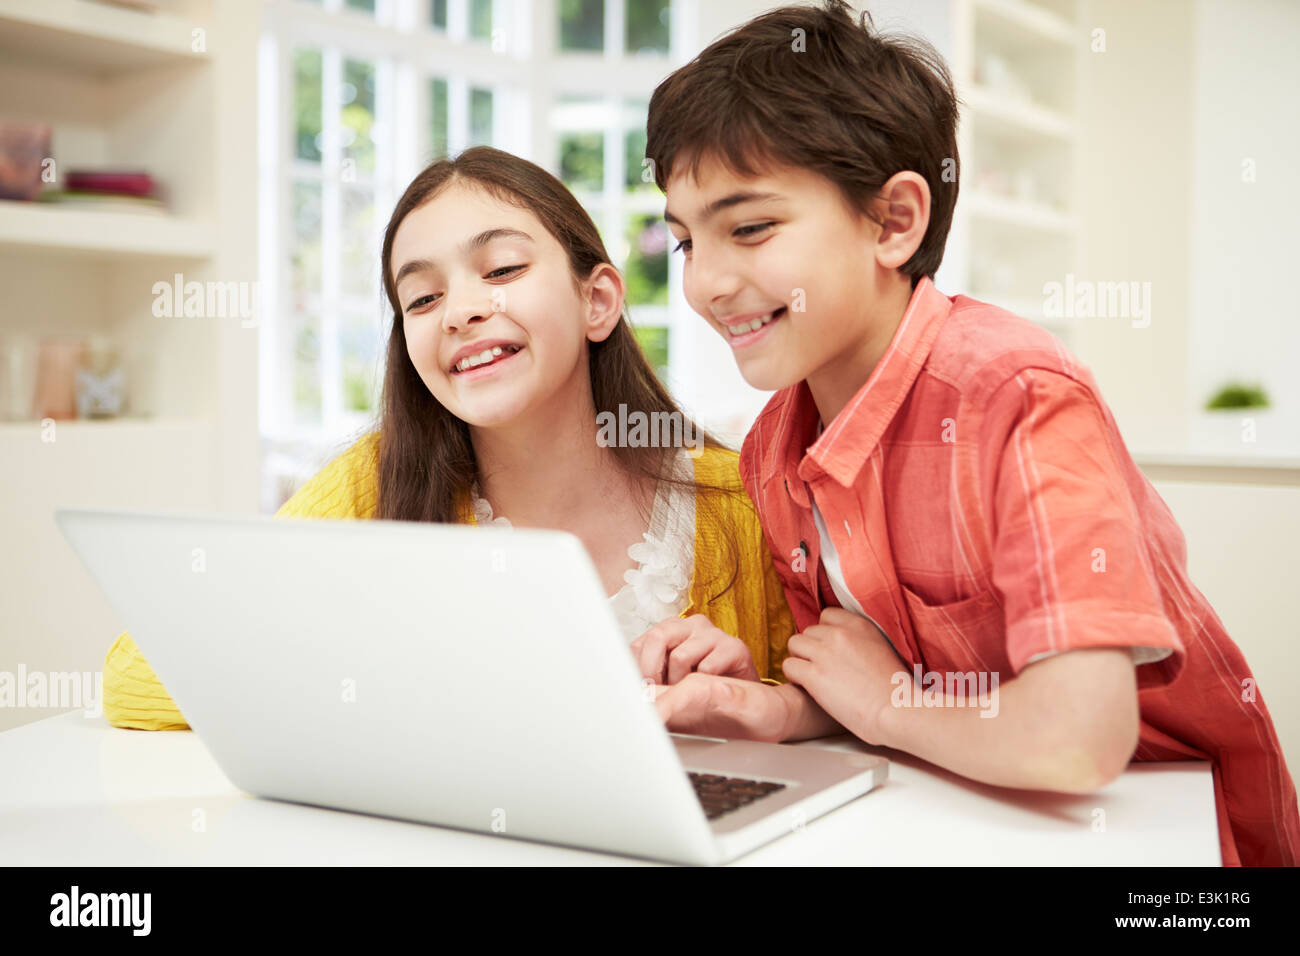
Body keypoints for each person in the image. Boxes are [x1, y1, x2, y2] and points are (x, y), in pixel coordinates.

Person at [644, 0, 1299, 866]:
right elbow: (876, 679)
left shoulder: (1016, 395)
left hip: (1156, 832)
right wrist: (778, 706)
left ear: (893, 222)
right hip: (958, 817)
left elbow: (1079, 738)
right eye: (688, 242)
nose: (708, 284)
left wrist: (887, 708)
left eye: (751, 227)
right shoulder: (775, 448)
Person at [102, 146, 796, 732]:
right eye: (423, 299)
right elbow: (133, 674)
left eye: (501, 271)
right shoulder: (372, 485)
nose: (461, 311)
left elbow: (837, 702)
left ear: (598, 300)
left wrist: (749, 700)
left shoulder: (742, 497)